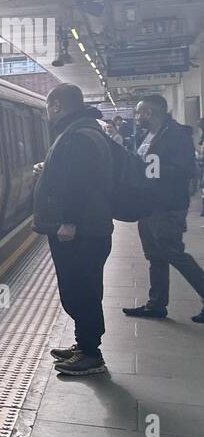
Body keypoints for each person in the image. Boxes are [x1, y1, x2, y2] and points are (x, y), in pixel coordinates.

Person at [34, 84, 114, 376]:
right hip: (91, 228)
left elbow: (78, 185)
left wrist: (69, 222)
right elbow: (76, 175)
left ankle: (91, 354)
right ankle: (84, 344)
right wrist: (49, 169)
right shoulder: (85, 130)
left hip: (81, 231)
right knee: (84, 287)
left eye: (48, 107)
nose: (48, 114)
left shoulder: (77, 136)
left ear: (56, 105)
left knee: (80, 289)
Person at [121, 94, 204, 323]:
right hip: (148, 206)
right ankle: (156, 304)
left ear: (149, 112)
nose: (137, 117)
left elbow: (187, 170)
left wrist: (153, 168)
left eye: (139, 112)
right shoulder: (148, 135)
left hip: (167, 207)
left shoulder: (177, 135)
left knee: (174, 254)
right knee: (155, 257)